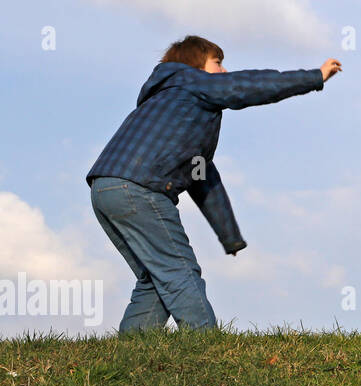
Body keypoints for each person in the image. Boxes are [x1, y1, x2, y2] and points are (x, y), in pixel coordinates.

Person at [87, 35, 341, 332]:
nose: (223, 71)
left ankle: (132, 358)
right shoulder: (192, 82)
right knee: (179, 271)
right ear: (196, 65)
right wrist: (314, 77)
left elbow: (202, 176)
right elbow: (247, 86)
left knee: (155, 278)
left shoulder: (174, 106)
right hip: (139, 189)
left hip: (105, 188)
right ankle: (205, 345)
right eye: (218, 63)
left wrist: (229, 236)